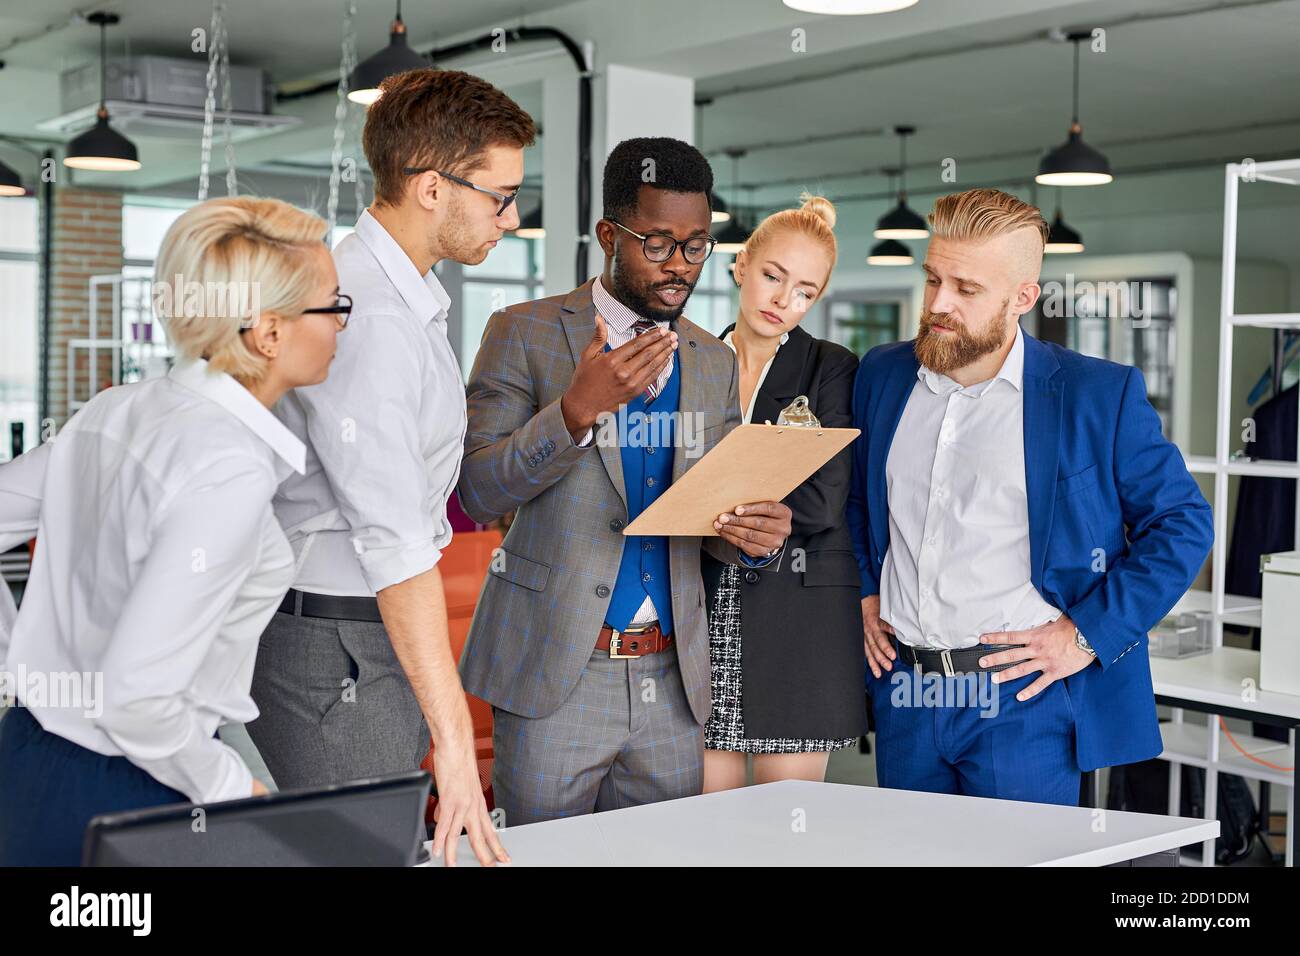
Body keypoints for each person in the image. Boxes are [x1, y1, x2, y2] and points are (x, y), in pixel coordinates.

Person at [457, 137, 794, 826]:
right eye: (658, 243)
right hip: (557, 672)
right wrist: (574, 412)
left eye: (696, 246)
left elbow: (713, 518)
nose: (679, 266)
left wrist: (752, 535)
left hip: (672, 683)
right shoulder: (522, 331)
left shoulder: (711, 359)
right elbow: (477, 490)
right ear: (610, 234)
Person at [0, 196, 341, 865]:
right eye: (335, 307)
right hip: (134, 793)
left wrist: (21, 657)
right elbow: (136, 699)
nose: (342, 328)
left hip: (27, 757)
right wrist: (236, 792)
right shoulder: (228, 467)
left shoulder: (117, 408)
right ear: (268, 332)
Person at [847, 187, 1214, 806]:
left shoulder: (1098, 395)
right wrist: (863, 591)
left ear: (1022, 298)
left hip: (1024, 703)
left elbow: (1182, 524)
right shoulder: (881, 374)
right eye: (933, 278)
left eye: (967, 289)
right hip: (906, 696)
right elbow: (857, 502)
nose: (938, 304)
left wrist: (1085, 633)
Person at [248, 68, 528, 866]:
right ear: (432, 187)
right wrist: (452, 743)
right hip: (335, 644)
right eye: (499, 195)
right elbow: (396, 543)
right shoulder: (367, 314)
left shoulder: (402, 299)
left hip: (363, 638)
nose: (511, 216)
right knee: (366, 858)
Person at [702, 194, 866, 791]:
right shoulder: (692, 359)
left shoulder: (830, 367)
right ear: (741, 263)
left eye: (805, 291)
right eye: (773, 276)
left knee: (785, 836)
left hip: (801, 620)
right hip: (700, 613)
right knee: (700, 829)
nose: (782, 300)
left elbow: (824, 498)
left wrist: (720, 502)